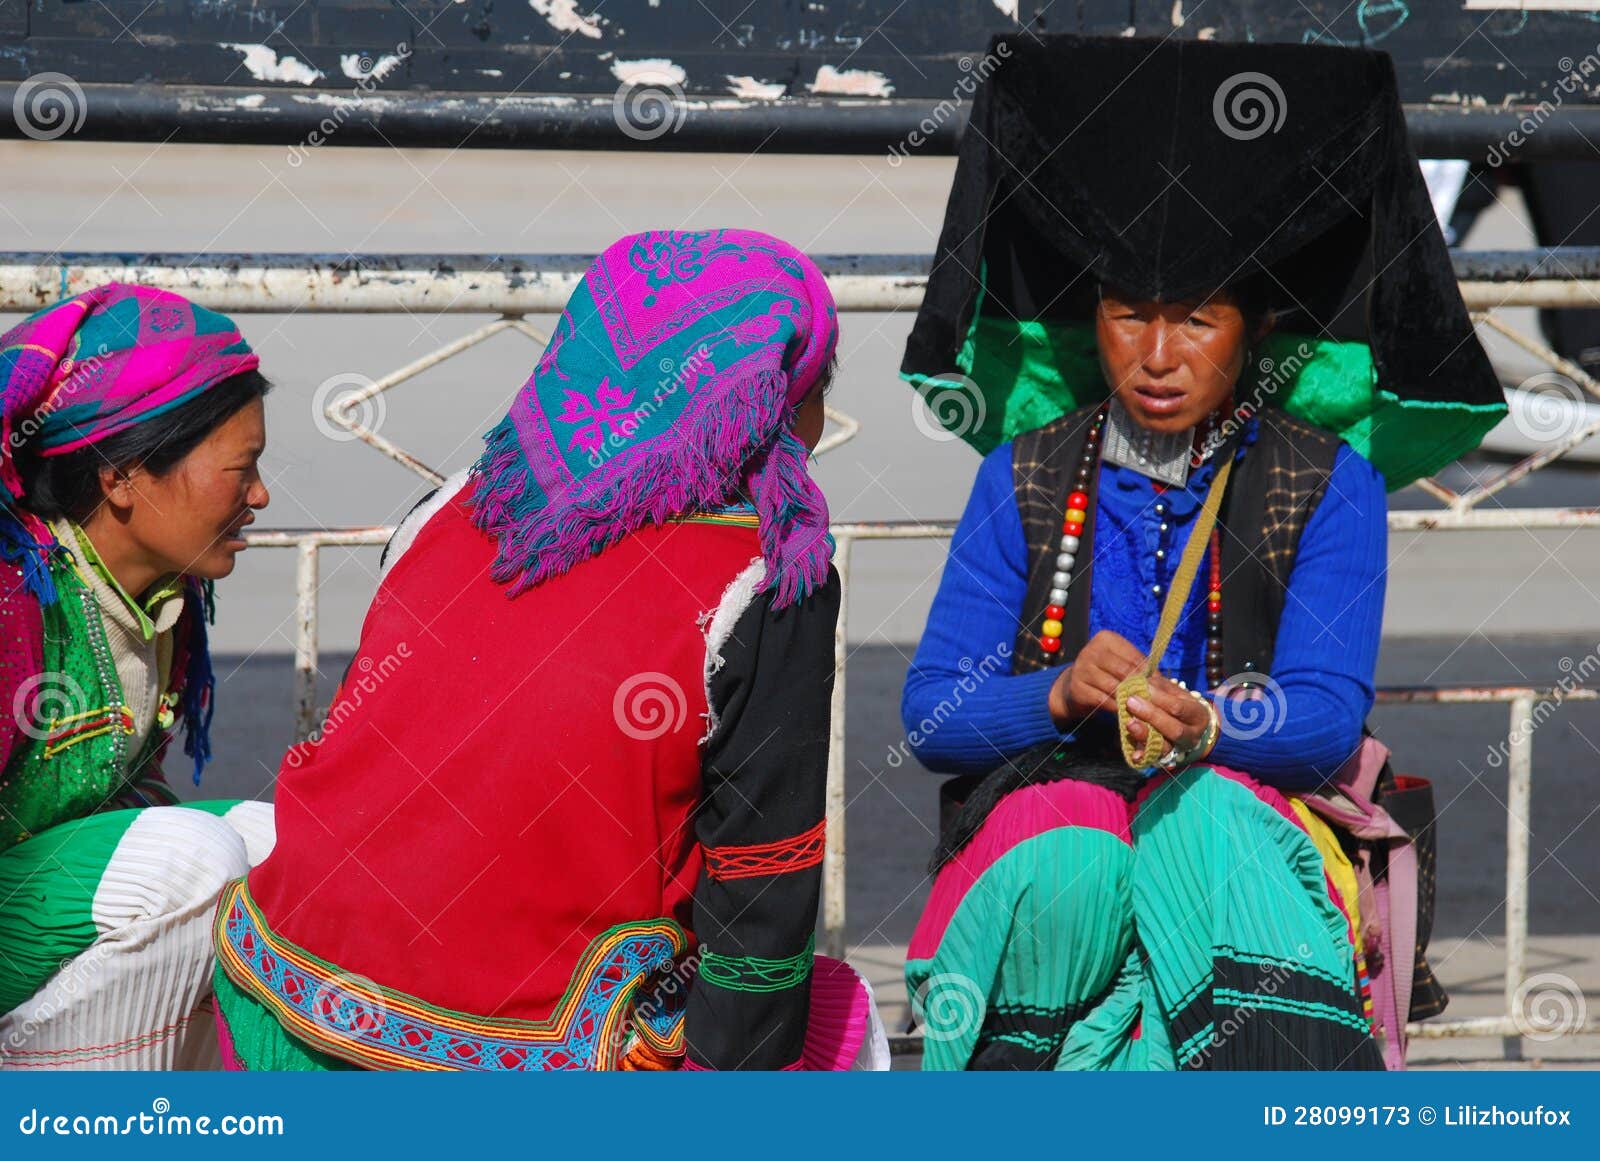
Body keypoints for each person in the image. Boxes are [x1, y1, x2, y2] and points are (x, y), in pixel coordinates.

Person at [898, 34, 1506, 1070]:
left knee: (1205, 828)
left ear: (1256, 326)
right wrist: (1052, 697)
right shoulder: (1026, 472)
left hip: (1242, 832)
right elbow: (930, 713)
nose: (1158, 355)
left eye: (1197, 320)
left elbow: (1320, 715)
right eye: (1128, 316)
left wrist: (1205, 724)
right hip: (1056, 842)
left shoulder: (1326, 483)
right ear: (1091, 319)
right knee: (1070, 850)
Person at [212, 229, 887, 1072]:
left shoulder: (455, 504)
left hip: (281, 985)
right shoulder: (767, 578)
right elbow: (761, 887)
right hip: (517, 1052)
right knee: (843, 1023)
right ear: (771, 404)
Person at [0, 283, 275, 1069]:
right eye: (240, 469)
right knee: (188, 861)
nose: (258, 496)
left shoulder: (160, 597)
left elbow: (132, 794)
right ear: (121, 477)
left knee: (280, 841)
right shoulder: (14, 598)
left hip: (42, 901)